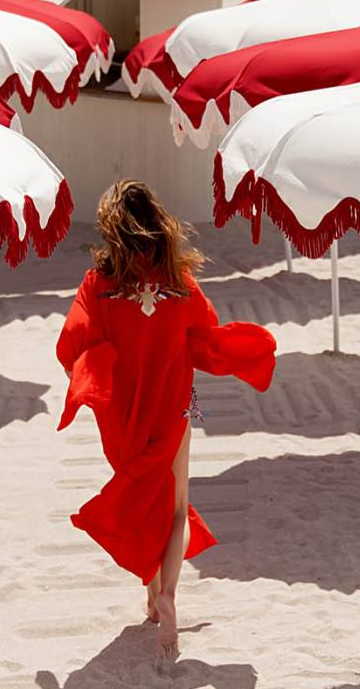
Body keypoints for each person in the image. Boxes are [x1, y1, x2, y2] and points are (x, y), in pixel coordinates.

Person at [55, 180, 277, 663]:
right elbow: (206, 329)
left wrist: (88, 376)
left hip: (123, 413)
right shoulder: (179, 279)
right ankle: (168, 595)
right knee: (175, 506)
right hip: (174, 406)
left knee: (141, 497)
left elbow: (72, 339)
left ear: (112, 229)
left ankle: (153, 595)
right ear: (160, 223)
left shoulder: (99, 283)